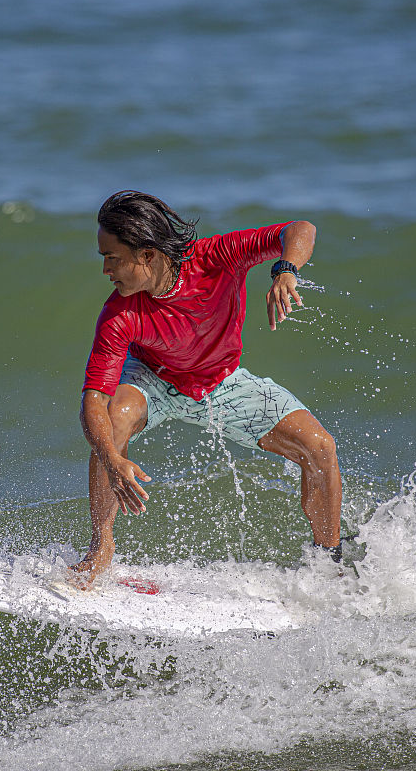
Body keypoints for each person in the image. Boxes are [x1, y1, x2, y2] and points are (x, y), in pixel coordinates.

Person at [71, 190, 342, 588]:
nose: (106, 269)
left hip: (223, 382)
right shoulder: (119, 314)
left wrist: (286, 270)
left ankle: (329, 565)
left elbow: (300, 230)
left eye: (112, 257)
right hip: (153, 377)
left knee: (320, 448)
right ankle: (101, 548)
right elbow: (92, 399)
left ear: (147, 255)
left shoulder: (217, 256)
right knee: (113, 421)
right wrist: (112, 460)